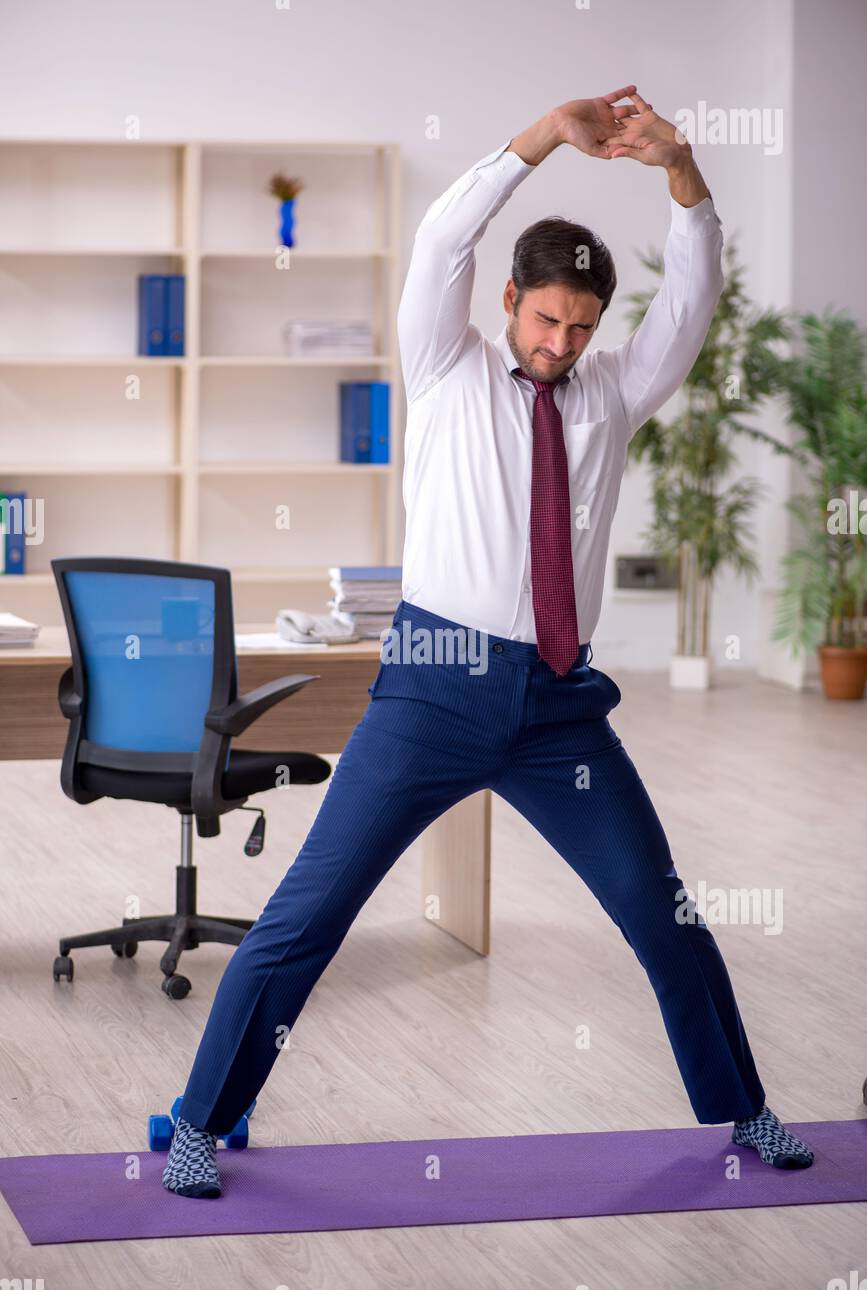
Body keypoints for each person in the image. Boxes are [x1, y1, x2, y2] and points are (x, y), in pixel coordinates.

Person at [162, 88, 812, 1198]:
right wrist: (542, 141)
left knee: (666, 917)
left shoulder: (611, 391)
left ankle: (745, 1109)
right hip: (432, 693)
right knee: (309, 914)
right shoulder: (446, 367)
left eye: (582, 327)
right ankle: (199, 1119)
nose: (561, 344)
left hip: (560, 707)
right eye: (546, 320)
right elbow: (441, 235)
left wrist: (684, 170)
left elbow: (693, 304)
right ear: (509, 301)